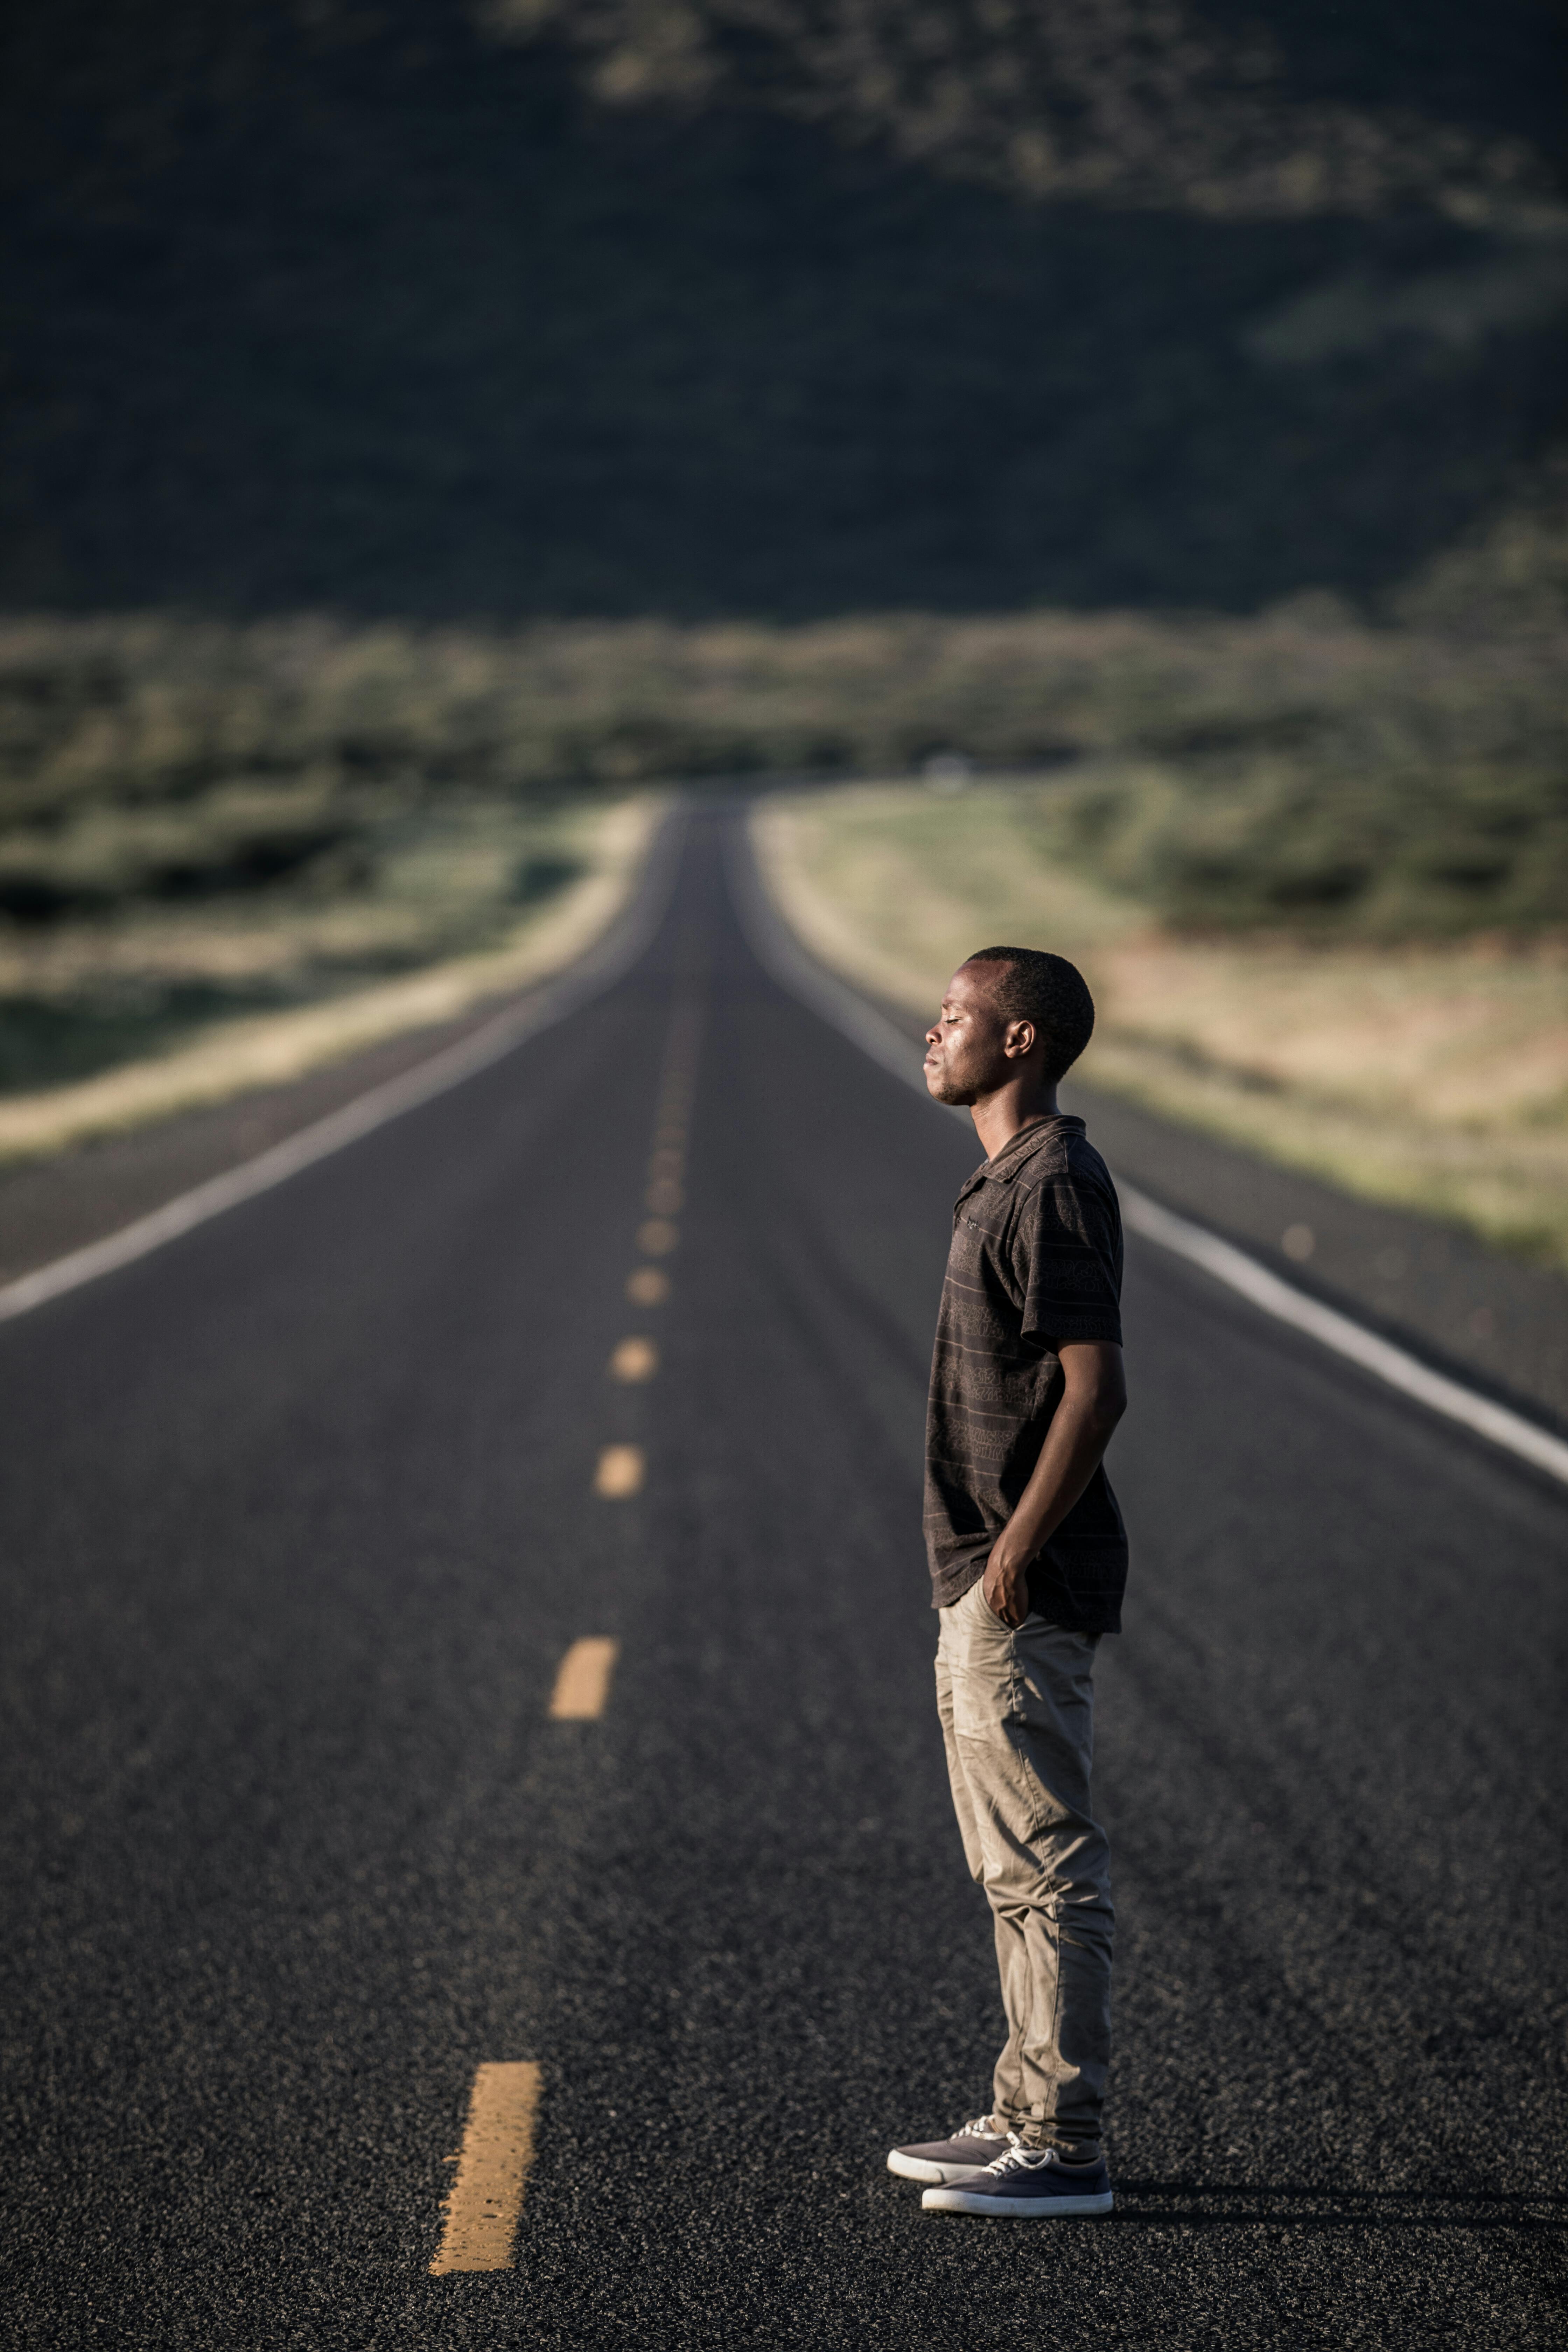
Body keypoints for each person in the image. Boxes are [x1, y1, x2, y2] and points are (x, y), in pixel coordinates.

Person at [888, 946, 1128, 2220]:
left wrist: (1016, 1556)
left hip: (1015, 1583)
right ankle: (1024, 2112)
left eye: (955, 1018)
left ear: (1020, 1040)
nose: (933, 1036)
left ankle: (1066, 2145)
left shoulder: (1053, 1184)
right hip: (982, 1575)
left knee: (1047, 1867)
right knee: (1007, 1871)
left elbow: (1098, 1388)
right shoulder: (1005, 1181)